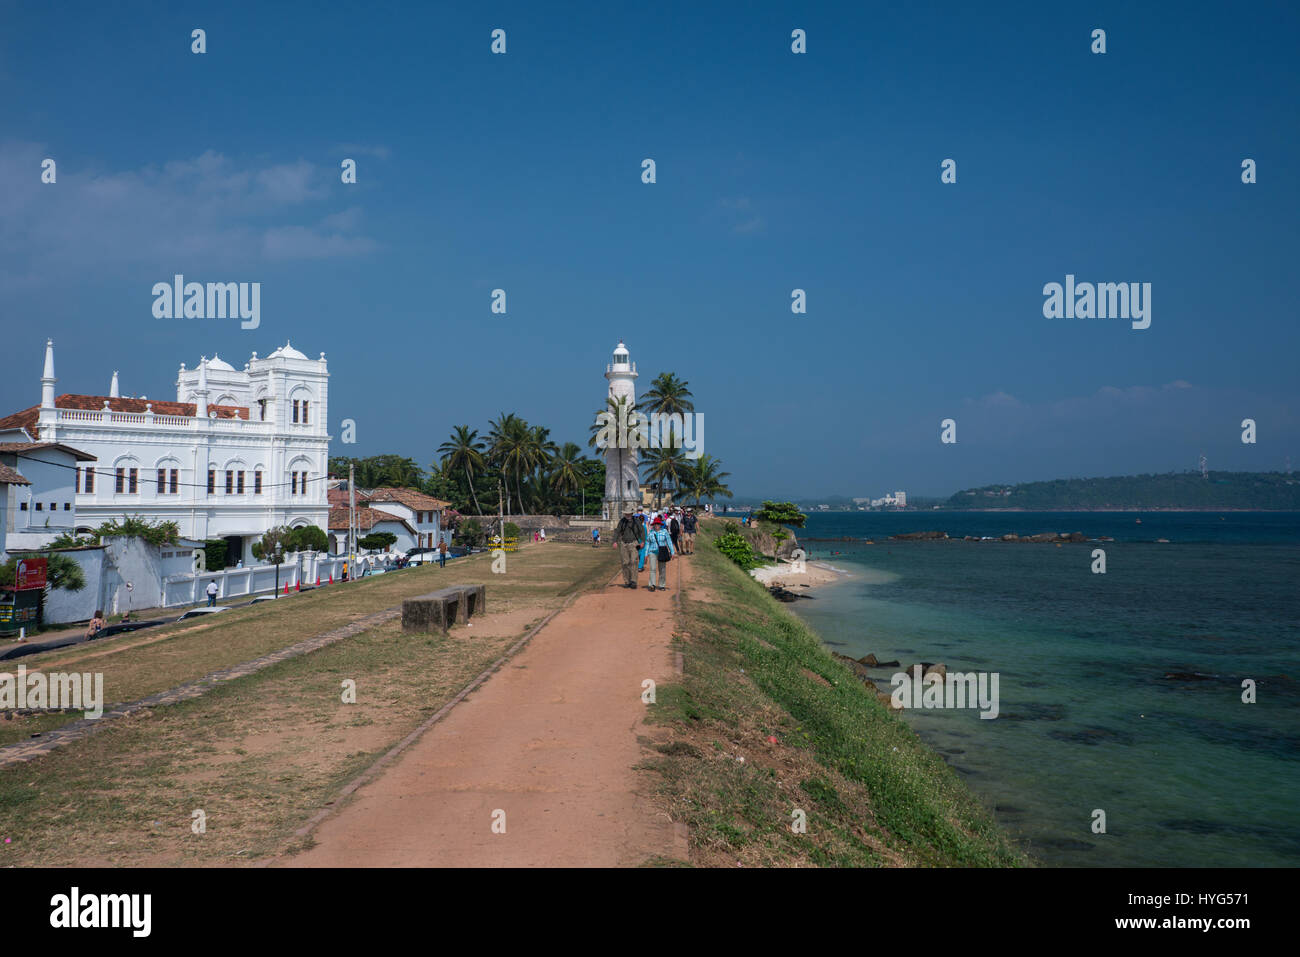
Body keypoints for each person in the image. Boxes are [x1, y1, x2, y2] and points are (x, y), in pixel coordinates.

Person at [614, 506, 645, 588]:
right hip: (624, 543)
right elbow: (617, 531)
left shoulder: (636, 521)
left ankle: (633, 581)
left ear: (631, 513)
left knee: (633, 561)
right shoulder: (622, 521)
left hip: (634, 543)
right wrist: (615, 541)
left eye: (629, 514)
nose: (627, 515)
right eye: (626, 514)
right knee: (625, 563)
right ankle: (627, 581)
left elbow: (641, 531)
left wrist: (642, 541)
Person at [642, 516, 675, 591]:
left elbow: (669, 542)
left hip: (662, 552)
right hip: (652, 552)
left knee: (662, 569)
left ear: (660, 524)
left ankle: (661, 585)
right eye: (655, 524)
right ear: (653, 525)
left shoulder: (664, 532)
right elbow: (647, 543)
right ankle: (652, 585)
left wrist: (672, 552)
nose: (657, 525)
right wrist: (646, 554)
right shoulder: (651, 532)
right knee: (652, 569)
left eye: (658, 524)